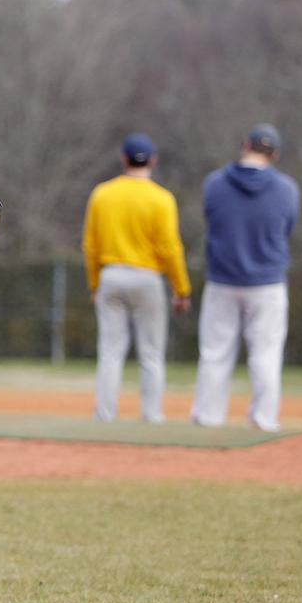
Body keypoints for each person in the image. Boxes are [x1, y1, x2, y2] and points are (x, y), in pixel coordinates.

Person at [191, 123, 299, 432]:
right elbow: (286, 228)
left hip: (223, 278)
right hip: (267, 281)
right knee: (266, 354)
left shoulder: (214, 184)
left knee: (215, 353)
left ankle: (208, 416)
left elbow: (211, 220)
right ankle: (263, 417)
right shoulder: (287, 189)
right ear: (274, 154)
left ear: (244, 144)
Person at [82, 133, 191, 424]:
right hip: (147, 278)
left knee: (110, 352)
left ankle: (104, 415)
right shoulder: (161, 198)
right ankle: (151, 415)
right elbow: (170, 247)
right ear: (153, 160)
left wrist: (94, 283)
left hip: (111, 275)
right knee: (151, 353)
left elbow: (90, 245)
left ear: (123, 159)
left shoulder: (102, 193)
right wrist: (181, 289)